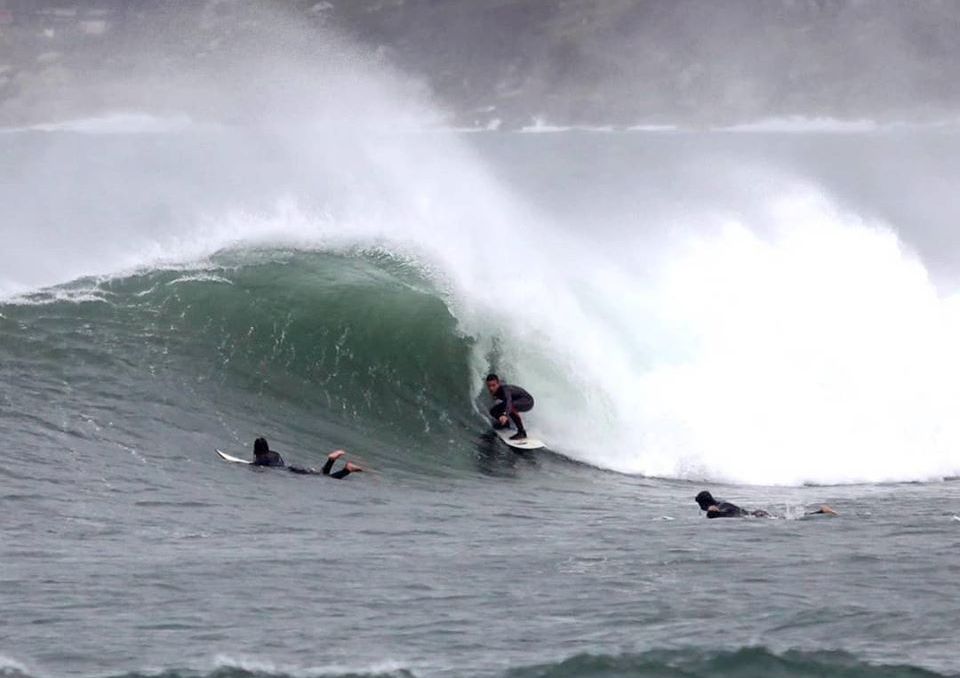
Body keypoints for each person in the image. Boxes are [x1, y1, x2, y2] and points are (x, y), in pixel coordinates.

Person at [252, 437, 362, 479]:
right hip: (291, 468)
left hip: (291, 472)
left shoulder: (261, 459)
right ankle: (332, 460)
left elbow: (255, 465)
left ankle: (347, 469)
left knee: (325, 477)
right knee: (322, 475)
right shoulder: (274, 453)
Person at [694, 490, 836, 519]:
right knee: (785, 518)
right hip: (756, 514)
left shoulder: (720, 506)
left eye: (701, 504)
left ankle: (821, 512)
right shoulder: (721, 503)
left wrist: (713, 512)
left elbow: (716, 514)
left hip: (757, 516)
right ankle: (821, 511)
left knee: (788, 519)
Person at [485, 373, 534, 440]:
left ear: (498, 384)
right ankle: (506, 424)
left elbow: (508, 401)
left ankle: (521, 432)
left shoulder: (505, 390)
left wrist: (505, 415)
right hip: (517, 401)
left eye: (493, 385)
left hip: (528, 401)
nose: (491, 388)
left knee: (510, 407)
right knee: (493, 411)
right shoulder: (496, 391)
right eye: (489, 386)